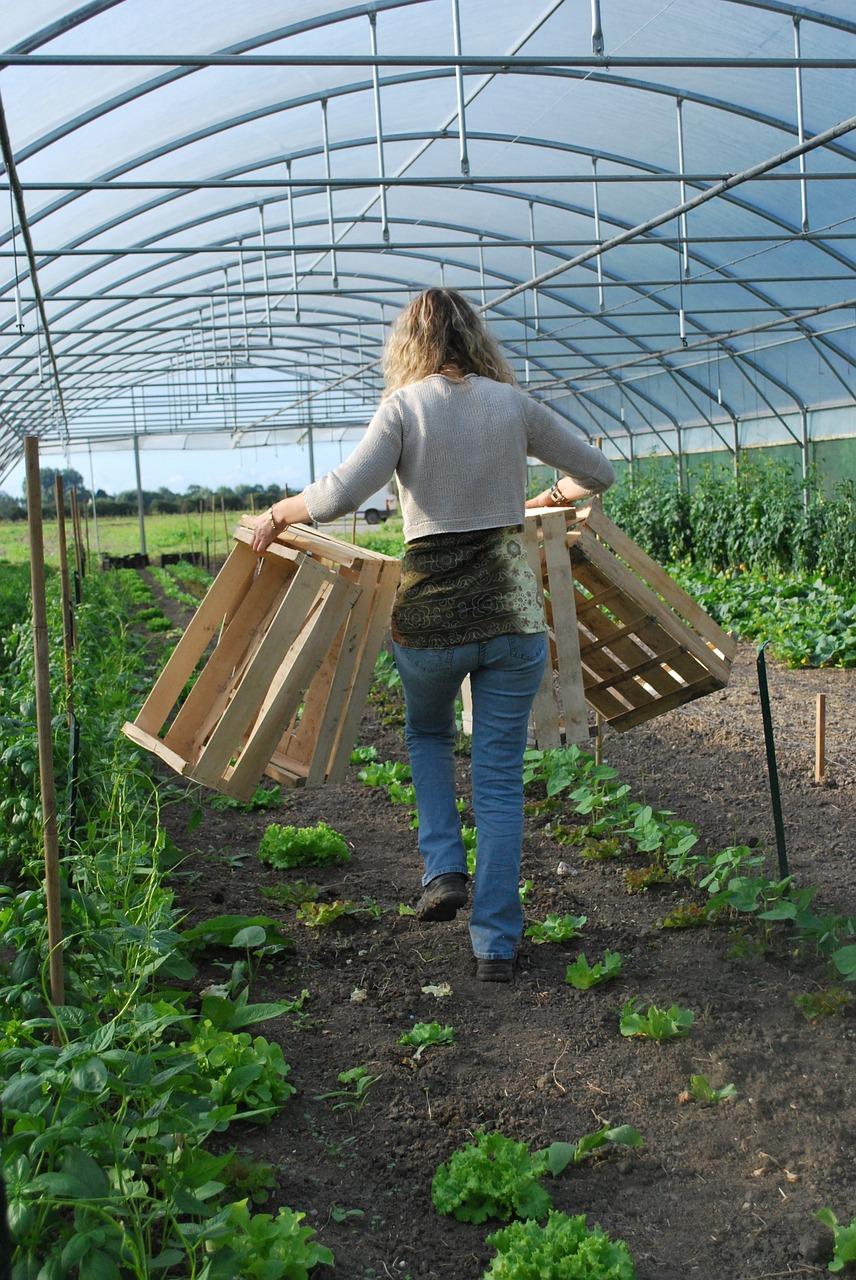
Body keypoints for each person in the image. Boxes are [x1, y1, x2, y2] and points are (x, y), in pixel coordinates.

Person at [251, 288, 614, 981]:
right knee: (502, 779)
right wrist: (540, 500)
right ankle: (495, 945)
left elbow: (335, 498)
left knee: (427, 736)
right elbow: (599, 473)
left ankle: (443, 866)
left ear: (409, 344)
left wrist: (279, 511)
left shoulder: (405, 406)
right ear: (474, 337)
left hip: (429, 623)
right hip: (512, 619)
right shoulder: (513, 404)